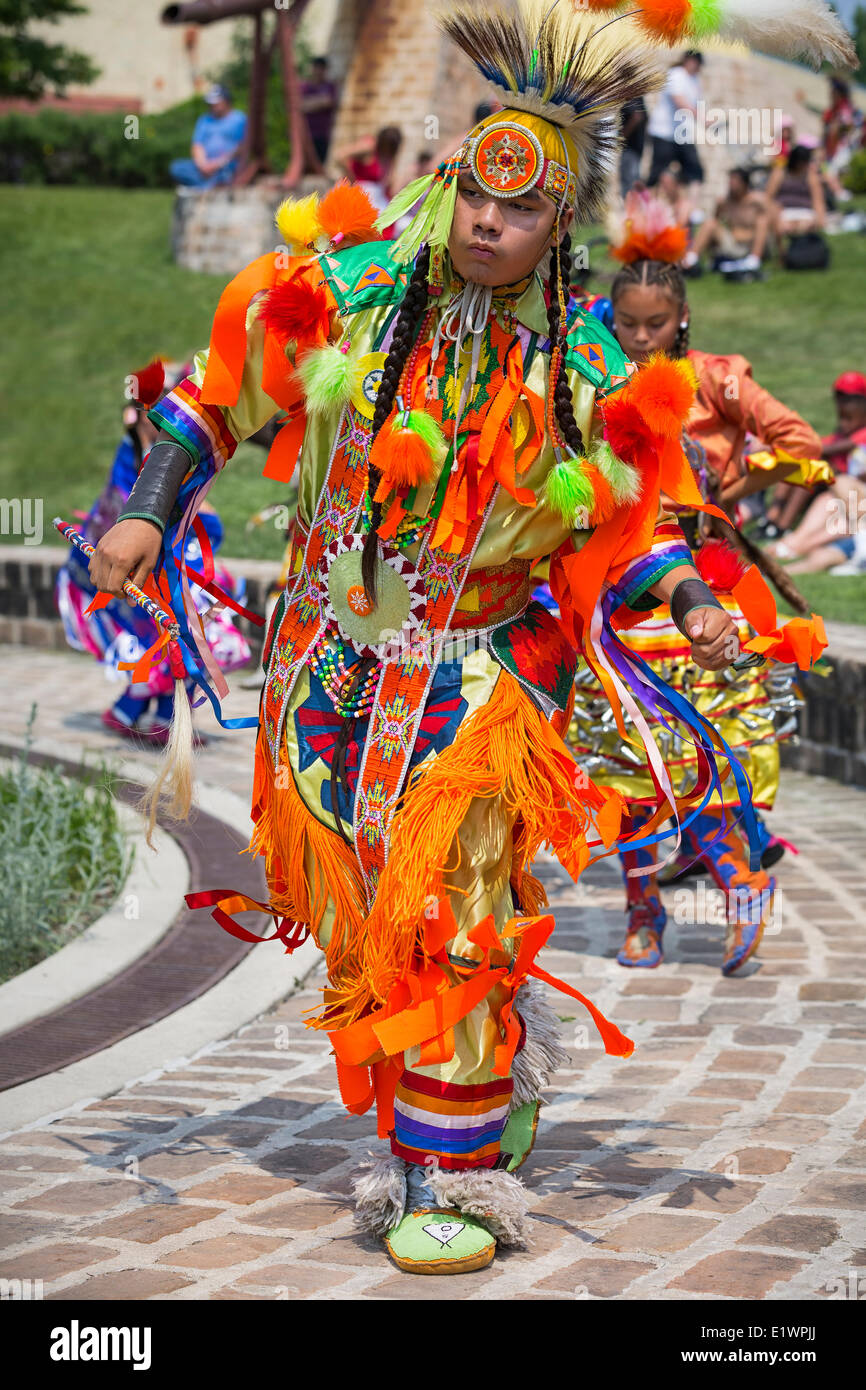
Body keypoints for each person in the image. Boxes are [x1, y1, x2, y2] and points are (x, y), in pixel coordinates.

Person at [85, 0, 845, 1279]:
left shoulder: (584, 363)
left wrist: (700, 600)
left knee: (458, 910)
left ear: (560, 226)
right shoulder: (350, 294)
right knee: (363, 921)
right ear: (452, 182)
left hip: (478, 682)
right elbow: (220, 398)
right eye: (476, 194)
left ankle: (453, 1171)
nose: (489, 223)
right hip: (329, 671)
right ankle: (477, 1088)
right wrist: (149, 512)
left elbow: (634, 510)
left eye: (523, 207)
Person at [566, 189, 828, 973]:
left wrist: (730, 483)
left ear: (680, 318)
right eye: (629, 325)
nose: (642, 338)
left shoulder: (715, 379)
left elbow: (802, 442)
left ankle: (741, 887)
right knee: (626, 762)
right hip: (620, 594)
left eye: (656, 325)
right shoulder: (596, 380)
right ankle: (642, 912)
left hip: (700, 584)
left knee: (706, 759)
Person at [56, 361, 251, 744]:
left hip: (170, 567)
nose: (171, 415)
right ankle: (145, 715)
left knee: (181, 637)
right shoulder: (131, 458)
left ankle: (150, 715)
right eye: (164, 406)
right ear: (144, 414)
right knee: (166, 640)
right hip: (133, 570)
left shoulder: (177, 456)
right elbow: (133, 515)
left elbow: (197, 517)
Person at [766, 373, 866, 570]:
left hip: (851, 496)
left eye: (849, 399)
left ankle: (787, 537)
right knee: (822, 488)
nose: (843, 404)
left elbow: (825, 449)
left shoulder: (861, 434)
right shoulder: (841, 432)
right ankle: (781, 532)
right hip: (840, 497)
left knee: (827, 476)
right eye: (840, 398)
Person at [683, 166, 770, 277]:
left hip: (752, 245)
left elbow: (773, 223)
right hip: (732, 244)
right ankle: (690, 261)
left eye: (735, 181)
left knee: (762, 220)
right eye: (730, 180)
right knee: (710, 223)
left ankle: (754, 261)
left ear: (744, 184)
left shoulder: (757, 201)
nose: (731, 184)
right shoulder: (724, 202)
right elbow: (715, 223)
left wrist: (781, 251)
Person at [646, 51, 705, 192]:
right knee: (657, 173)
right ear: (688, 61)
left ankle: (689, 208)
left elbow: (695, 105)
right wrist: (702, 118)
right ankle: (647, 203)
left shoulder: (695, 80)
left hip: (682, 135)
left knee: (695, 172)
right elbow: (679, 101)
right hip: (664, 132)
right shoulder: (676, 74)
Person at [169, 84, 248, 189]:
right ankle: (207, 187)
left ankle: (204, 188)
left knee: (226, 173)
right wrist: (203, 165)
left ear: (226, 101)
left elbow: (241, 147)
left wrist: (217, 164)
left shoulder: (240, 119)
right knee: (177, 168)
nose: (212, 106)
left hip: (226, 165)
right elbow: (197, 145)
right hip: (203, 167)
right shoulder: (205, 119)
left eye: (216, 103)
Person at [765, 144, 827, 248]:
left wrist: (820, 220)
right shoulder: (780, 173)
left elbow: (818, 200)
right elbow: (768, 198)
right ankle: (783, 251)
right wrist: (775, 211)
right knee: (782, 225)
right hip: (782, 211)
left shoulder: (811, 176)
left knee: (804, 225)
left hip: (805, 212)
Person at [301, 56, 339, 165]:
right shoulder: (304, 87)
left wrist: (309, 104)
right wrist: (319, 102)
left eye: (321, 68)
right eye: (316, 68)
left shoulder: (329, 86)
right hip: (305, 133)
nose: (318, 71)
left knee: (319, 164)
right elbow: (299, 106)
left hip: (322, 134)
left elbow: (328, 102)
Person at [620, 96, 648, 198]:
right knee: (633, 181)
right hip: (635, 147)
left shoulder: (632, 96)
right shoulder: (639, 97)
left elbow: (637, 117)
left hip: (631, 147)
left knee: (629, 183)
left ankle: (631, 209)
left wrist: (622, 136)